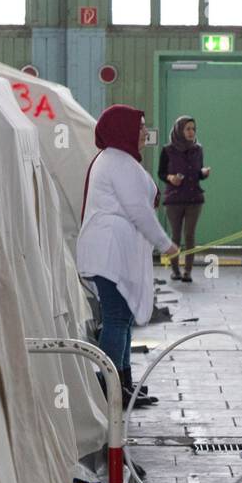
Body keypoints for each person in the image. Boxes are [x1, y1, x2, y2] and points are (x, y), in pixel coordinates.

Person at [76, 104, 179, 409]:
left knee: (122, 318)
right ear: (124, 130)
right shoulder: (117, 161)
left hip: (113, 252)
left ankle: (124, 384)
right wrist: (166, 244)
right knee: (117, 319)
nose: (146, 132)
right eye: (141, 127)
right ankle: (114, 388)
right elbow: (138, 211)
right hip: (109, 252)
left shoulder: (117, 160)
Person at [158, 115, 209, 283]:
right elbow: (161, 173)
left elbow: (197, 172)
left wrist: (203, 173)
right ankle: (175, 270)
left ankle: (188, 271)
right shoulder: (167, 150)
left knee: (190, 235)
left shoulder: (198, 149)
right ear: (179, 130)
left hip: (194, 197)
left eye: (193, 129)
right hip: (174, 199)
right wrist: (171, 178)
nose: (191, 132)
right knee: (175, 235)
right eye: (187, 129)